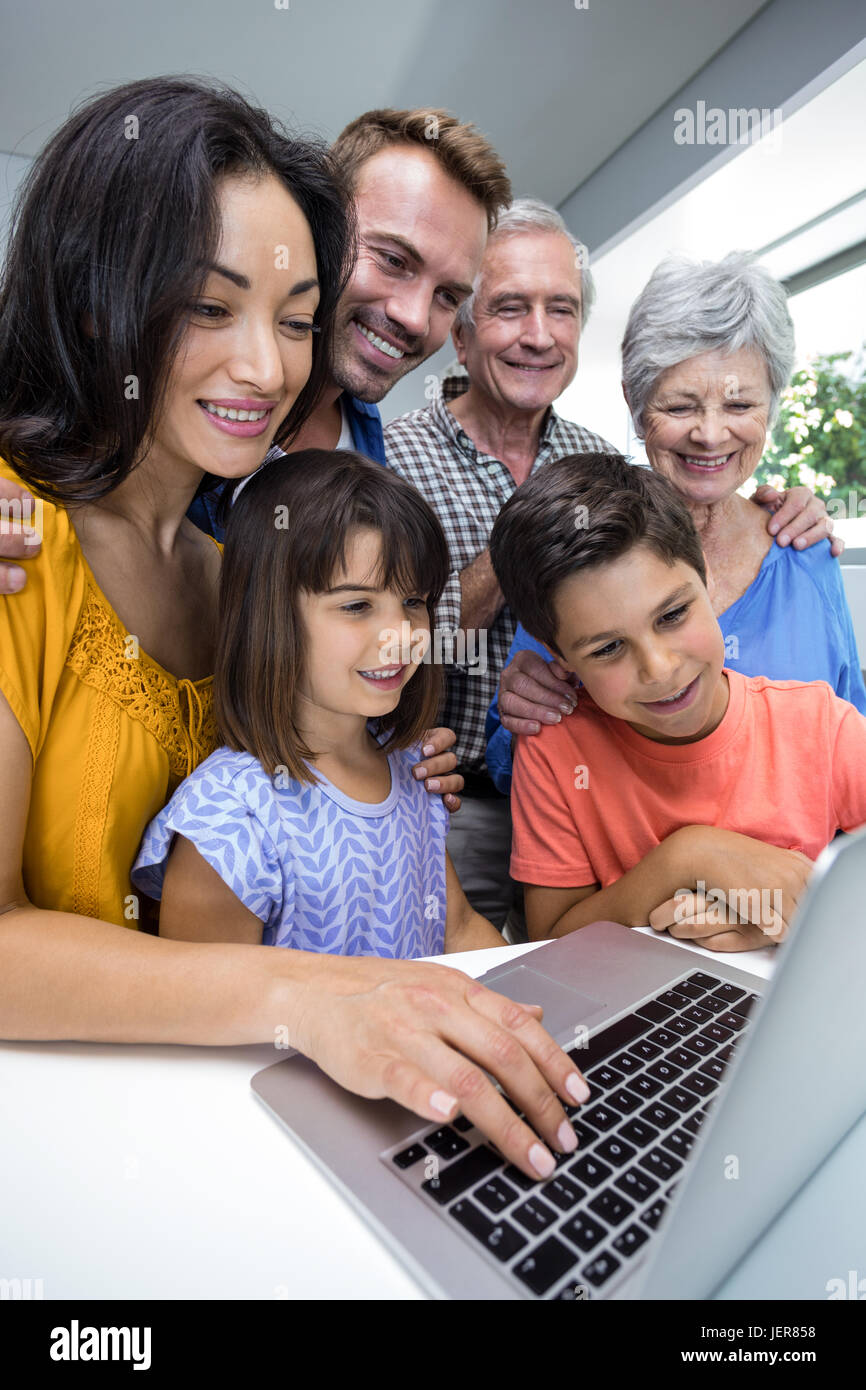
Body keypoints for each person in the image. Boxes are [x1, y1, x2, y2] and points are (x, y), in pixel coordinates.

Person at [0, 76, 589, 1181]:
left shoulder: (237, 577)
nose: (266, 368)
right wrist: (319, 994)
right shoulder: (16, 549)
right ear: (94, 298)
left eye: (292, 320)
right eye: (208, 307)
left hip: (231, 1126)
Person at [385, 209, 832, 928]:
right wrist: (534, 528)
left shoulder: (791, 546)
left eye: (560, 309)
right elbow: (391, 647)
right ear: (460, 335)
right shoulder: (398, 462)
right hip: (477, 811)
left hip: (781, 908)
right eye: (508, 308)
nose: (538, 333)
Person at [489, 251, 861, 793]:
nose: (710, 435)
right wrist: (522, 712)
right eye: (681, 407)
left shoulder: (806, 550)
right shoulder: (578, 545)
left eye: (739, 407)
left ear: (772, 407)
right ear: (636, 408)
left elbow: (852, 752)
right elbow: (515, 769)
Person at [131, 450, 508, 957]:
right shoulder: (228, 820)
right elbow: (207, 1013)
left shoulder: (415, 768)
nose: (401, 636)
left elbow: (457, 929)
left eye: (414, 602)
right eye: (357, 606)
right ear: (270, 615)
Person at [488, 453, 866, 950]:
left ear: (708, 581)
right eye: (607, 648)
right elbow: (552, 939)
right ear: (559, 656)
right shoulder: (556, 751)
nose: (660, 668)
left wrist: (796, 907)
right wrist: (686, 858)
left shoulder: (821, 727)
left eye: (671, 615)